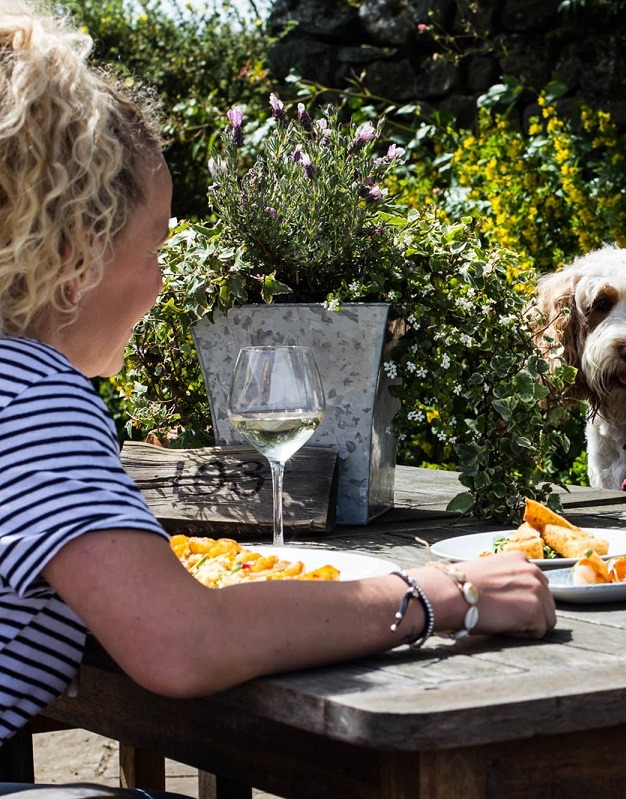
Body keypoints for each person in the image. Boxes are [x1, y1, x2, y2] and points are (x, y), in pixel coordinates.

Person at [0, 0, 555, 793]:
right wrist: (446, 592)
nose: (163, 281)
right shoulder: (29, 393)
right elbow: (181, 641)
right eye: (156, 244)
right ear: (72, 247)